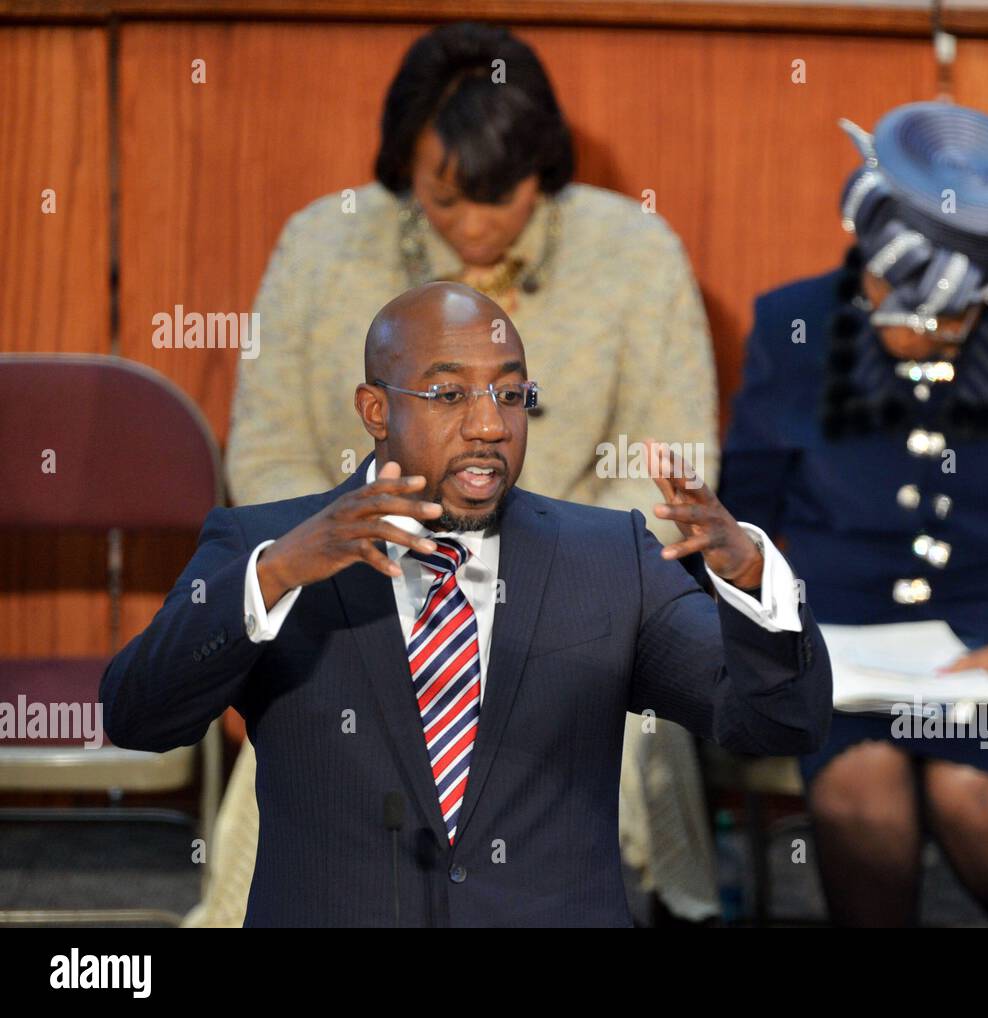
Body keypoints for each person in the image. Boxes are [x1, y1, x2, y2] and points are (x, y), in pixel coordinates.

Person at [101, 282, 831, 927]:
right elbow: (137, 716)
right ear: (375, 409)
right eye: (449, 395)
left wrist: (754, 580)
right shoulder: (268, 547)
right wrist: (277, 576)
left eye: (511, 395)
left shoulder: (609, 557)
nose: (489, 425)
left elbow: (776, 721)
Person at [217, 23, 722, 925]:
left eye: (505, 196)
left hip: (579, 607)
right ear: (402, 170)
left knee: (586, 745)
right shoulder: (321, 244)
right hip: (366, 595)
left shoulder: (635, 252)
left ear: (547, 169)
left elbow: (671, 466)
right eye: (448, 199)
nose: (478, 226)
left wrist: (553, 573)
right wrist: (354, 548)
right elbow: (265, 454)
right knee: (313, 743)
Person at [720, 102, 988, 927]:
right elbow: (747, 511)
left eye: (937, 317)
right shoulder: (793, 324)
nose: (906, 330)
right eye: (883, 298)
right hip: (836, 645)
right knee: (862, 796)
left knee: (977, 794)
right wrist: (721, 545)